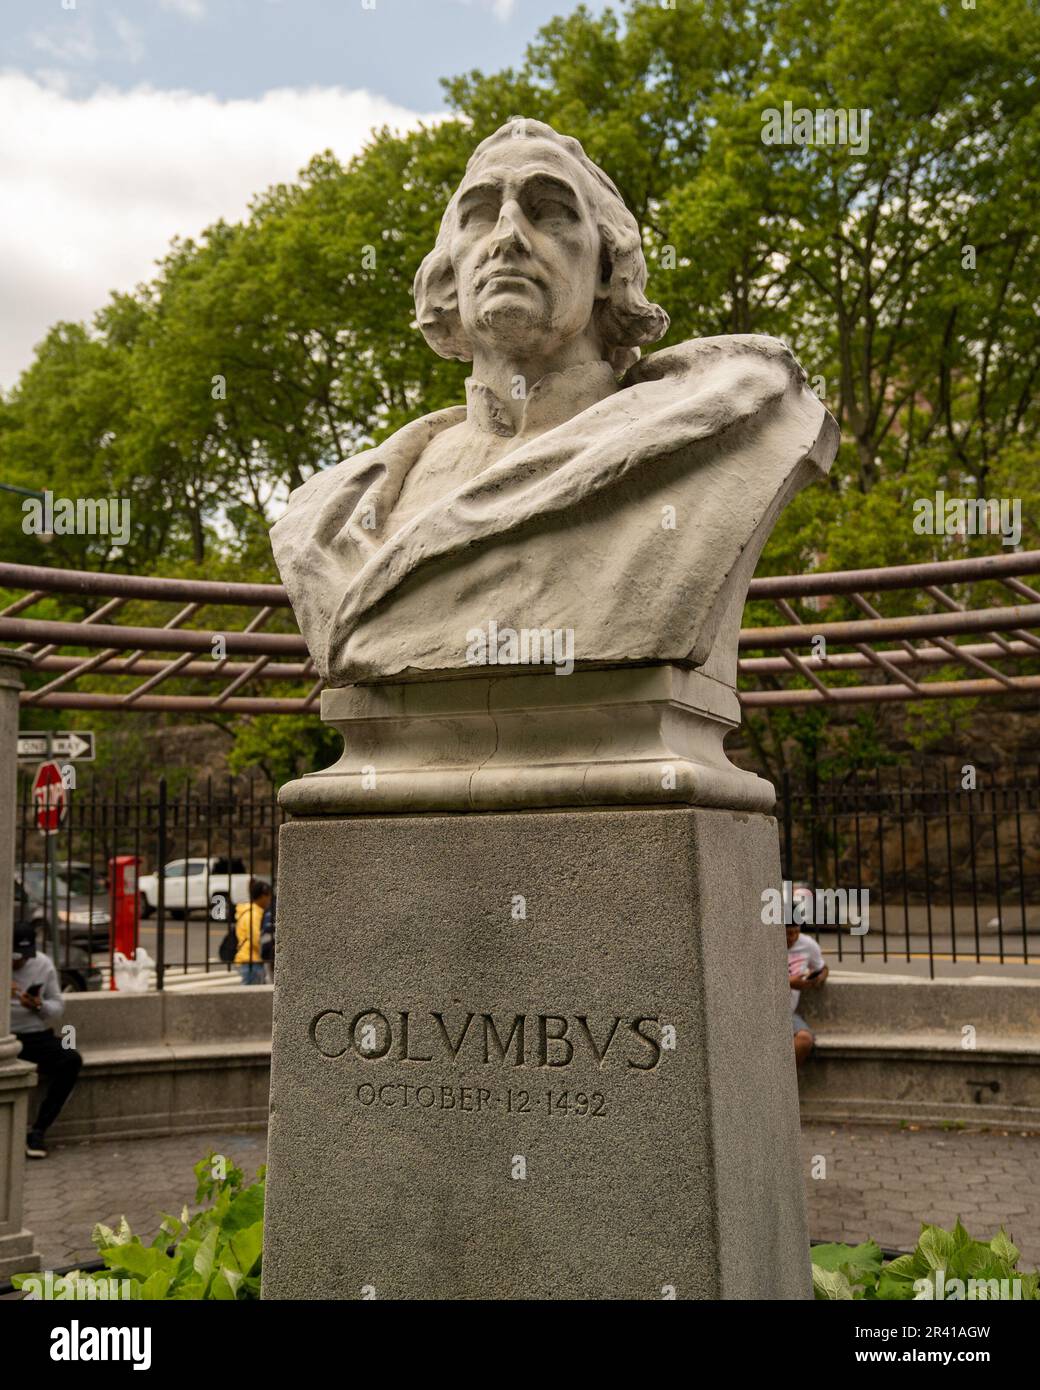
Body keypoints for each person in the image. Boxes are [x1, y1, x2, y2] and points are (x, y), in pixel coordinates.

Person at [11, 923, 83, 1158]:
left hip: (36, 1035)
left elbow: (58, 1008)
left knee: (70, 1058)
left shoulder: (42, 964)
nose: (19, 963)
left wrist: (38, 1005)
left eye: (24, 957)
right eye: (15, 957)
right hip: (6, 1037)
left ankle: (38, 1130)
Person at [786, 923, 828, 1068]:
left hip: (788, 1012)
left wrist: (817, 978)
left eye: (796, 932)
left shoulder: (808, 945)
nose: (793, 938)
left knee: (804, 1039)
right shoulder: (764, 944)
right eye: (788, 933)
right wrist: (789, 983)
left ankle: (785, 1085)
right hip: (762, 1011)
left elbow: (822, 968)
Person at [234, 879, 271, 985]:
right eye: (268, 896)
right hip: (251, 961)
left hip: (250, 960)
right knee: (250, 997)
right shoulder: (253, 915)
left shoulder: (253, 912)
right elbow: (257, 940)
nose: (269, 899)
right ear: (262, 896)